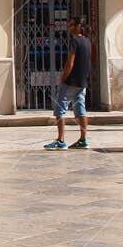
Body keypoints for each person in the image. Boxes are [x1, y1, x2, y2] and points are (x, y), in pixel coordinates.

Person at [45, 16, 92, 150]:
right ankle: (83, 139)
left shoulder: (75, 41)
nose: (69, 27)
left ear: (78, 26)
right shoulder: (87, 41)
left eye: (71, 25)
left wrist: (63, 77)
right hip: (82, 82)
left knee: (60, 109)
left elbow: (70, 62)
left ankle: (60, 140)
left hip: (71, 81)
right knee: (81, 110)